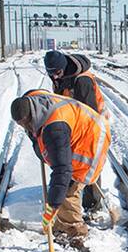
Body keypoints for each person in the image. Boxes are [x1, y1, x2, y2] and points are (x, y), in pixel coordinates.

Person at [10, 88, 112, 252]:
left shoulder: (54, 129)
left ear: (30, 115)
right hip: (79, 128)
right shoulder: (33, 100)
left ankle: (74, 231)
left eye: (24, 124)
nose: (23, 127)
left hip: (91, 139)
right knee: (63, 181)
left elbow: (62, 170)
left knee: (69, 188)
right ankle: (64, 221)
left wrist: (52, 206)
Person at [45, 50, 108, 217]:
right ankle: (75, 199)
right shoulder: (58, 78)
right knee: (73, 163)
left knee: (88, 162)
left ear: (64, 67)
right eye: (51, 74)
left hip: (93, 125)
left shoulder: (82, 81)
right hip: (75, 123)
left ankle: (93, 205)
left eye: (57, 73)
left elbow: (89, 112)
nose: (55, 77)